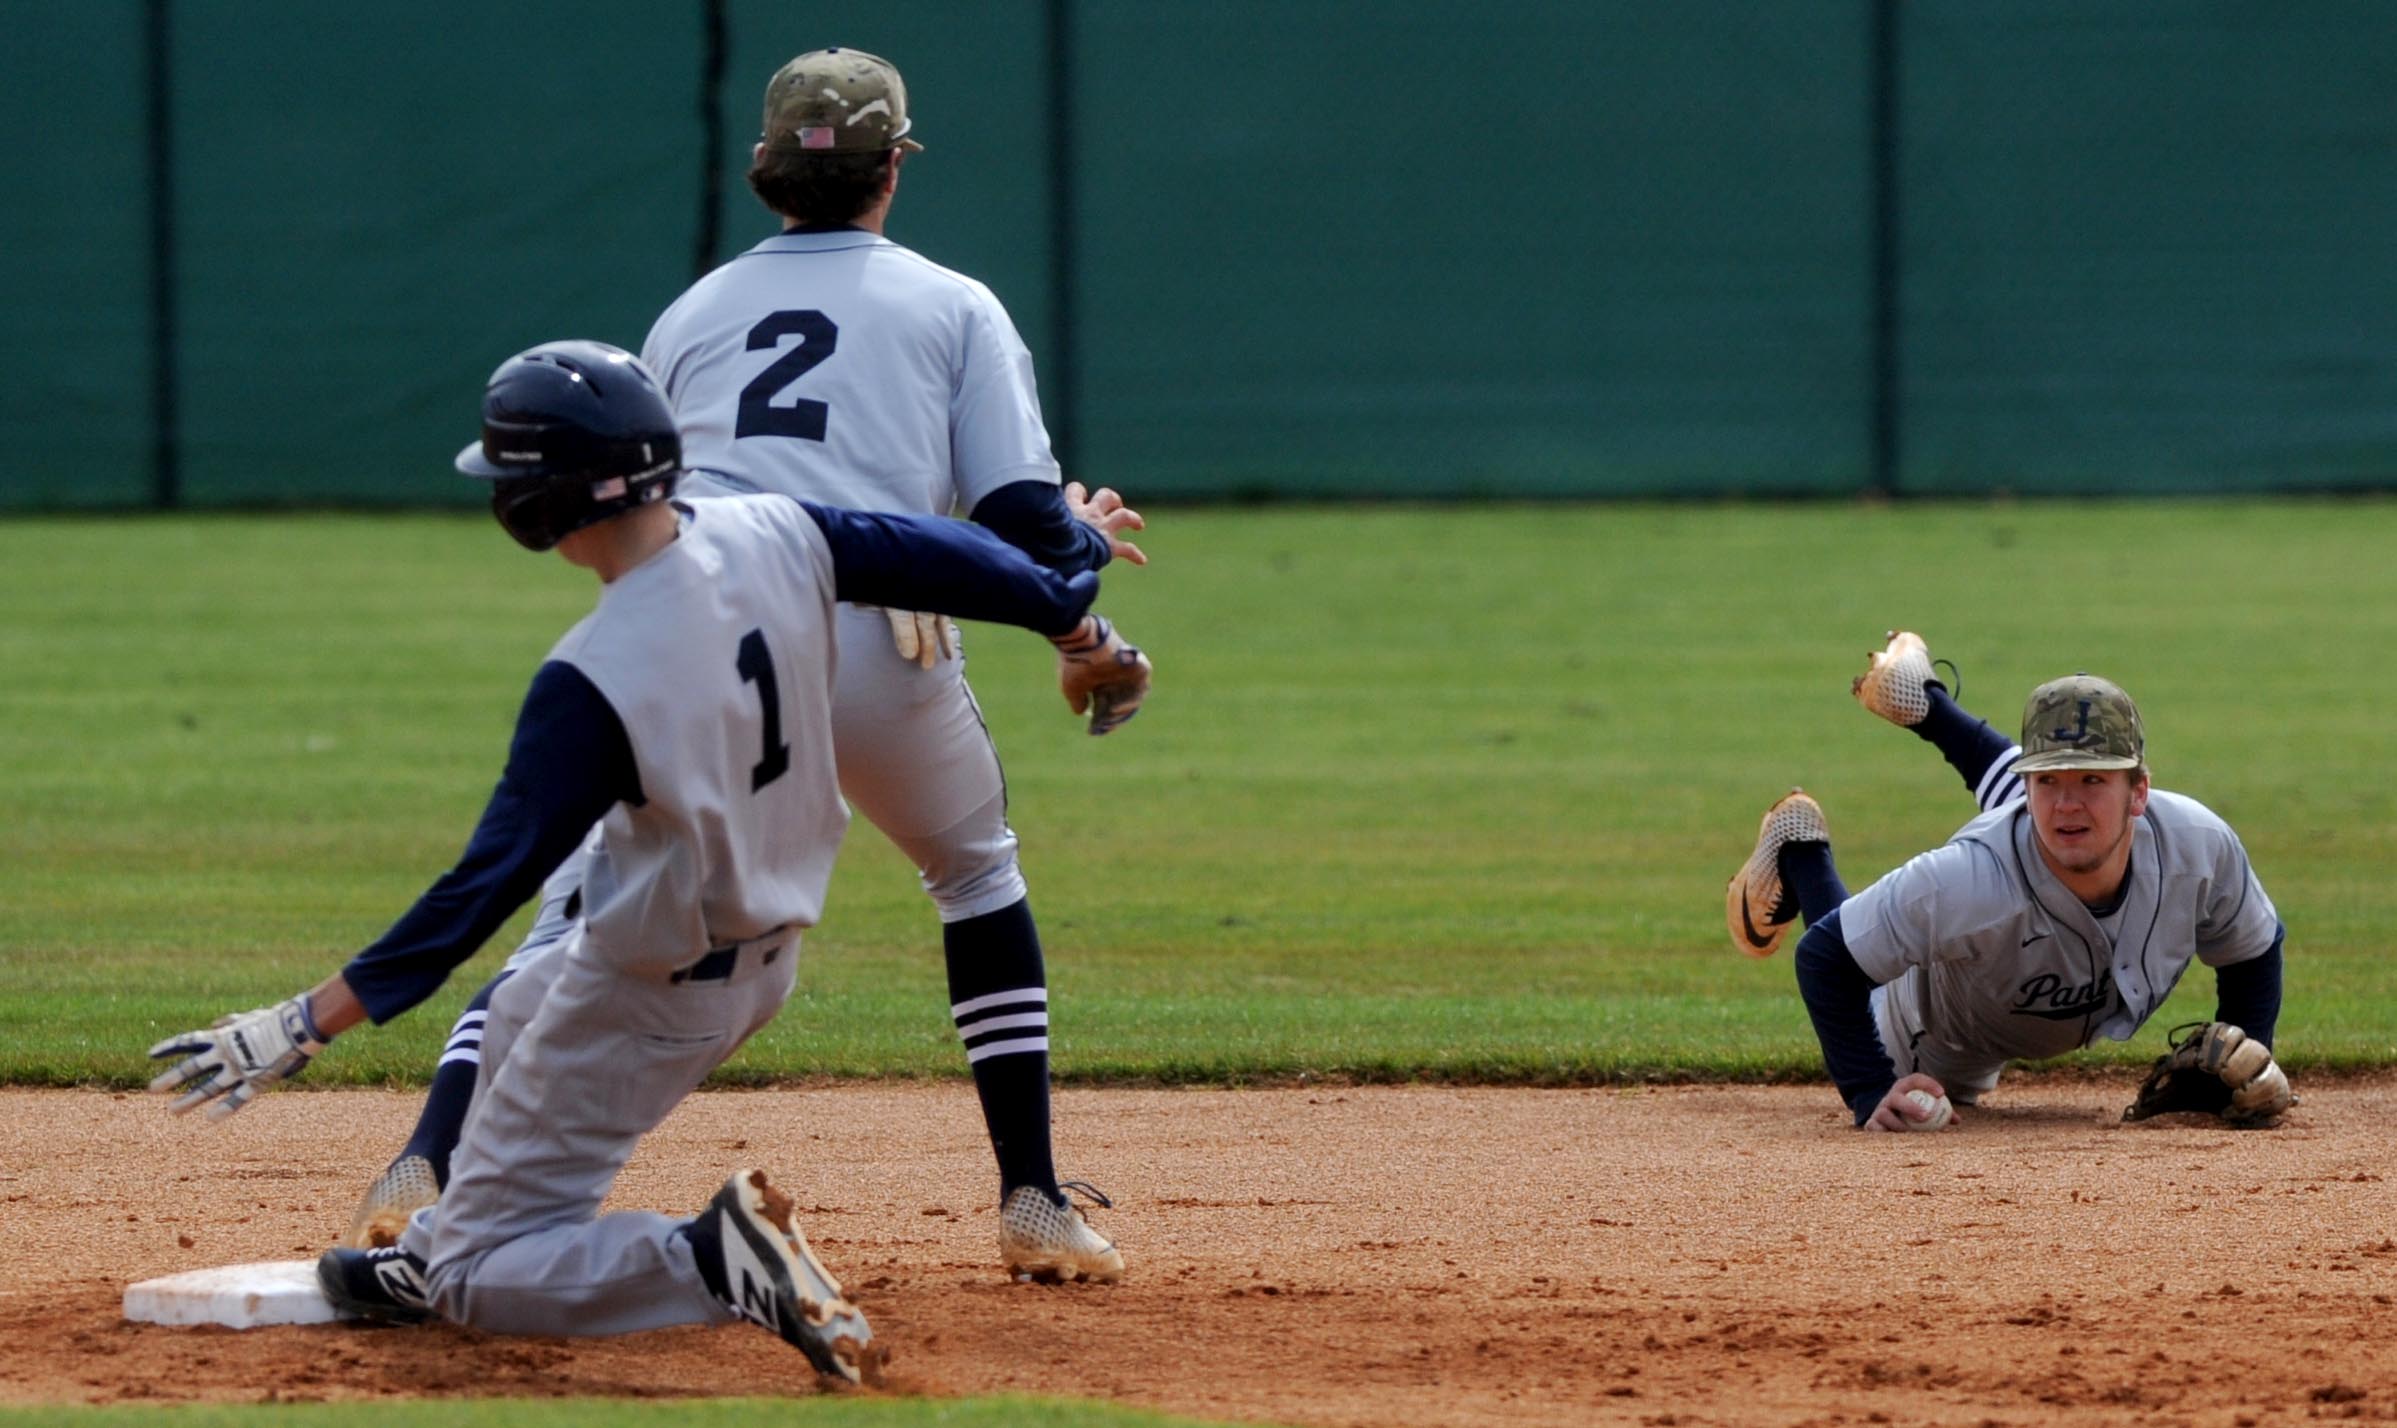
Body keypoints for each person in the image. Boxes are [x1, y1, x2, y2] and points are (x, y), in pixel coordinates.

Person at [146, 341, 1140, 1380]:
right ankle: (444, 1241)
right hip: (743, 957)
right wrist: (1073, 568)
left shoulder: (595, 675)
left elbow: (473, 896)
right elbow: (953, 559)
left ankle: (706, 1259)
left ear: (540, 507)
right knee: (523, 1010)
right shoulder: (775, 528)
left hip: (651, 984)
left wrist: (300, 1026)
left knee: (481, 1283)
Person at [344, 47, 1143, 1284]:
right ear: (894, 170)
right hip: (881, 638)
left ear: (769, 173)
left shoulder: (695, 309)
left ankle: (430, 1161)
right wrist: (1081, 580)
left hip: (708, 635)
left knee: (577, 894)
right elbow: (1026, 530)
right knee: (975, 877)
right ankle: (1032, 1201)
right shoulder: (955, 302)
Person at [1724, 630, 2291, 1131]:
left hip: (2025, 864)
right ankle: (1802, 853)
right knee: (2045, 847)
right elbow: (1825, 958)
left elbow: (2252, 948)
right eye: (2046, 780)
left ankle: (1925, 703)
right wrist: (1869, 1088)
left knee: (2065, 834)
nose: (2068, 800)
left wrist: (2243, 1058)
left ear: (2140, 790)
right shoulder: (1963, 881)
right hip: (1933, 1031)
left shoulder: (2198, 846)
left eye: (2094, 777)